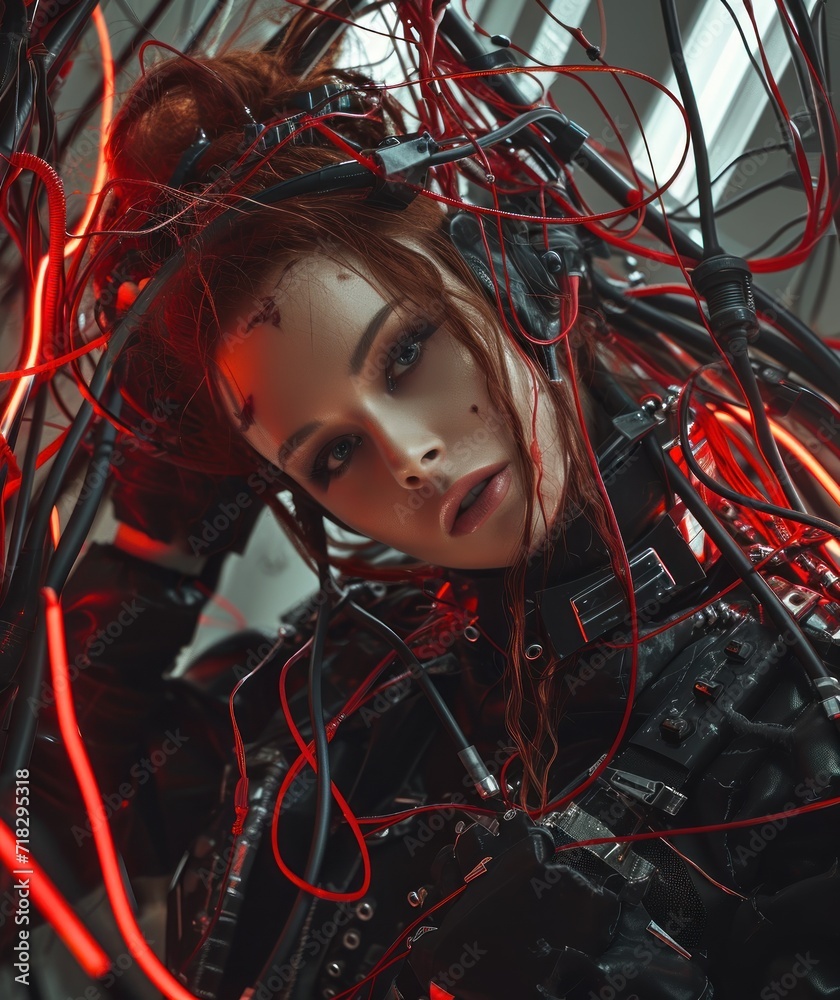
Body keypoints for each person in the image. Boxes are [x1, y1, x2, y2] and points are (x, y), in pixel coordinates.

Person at [10, 3, 840, 999]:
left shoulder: (797, 724)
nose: (409, 458)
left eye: (406, 353)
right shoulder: (322, 687)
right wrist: (158, 530)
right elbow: (43, 808)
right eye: (333, 454)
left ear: (510, 274)